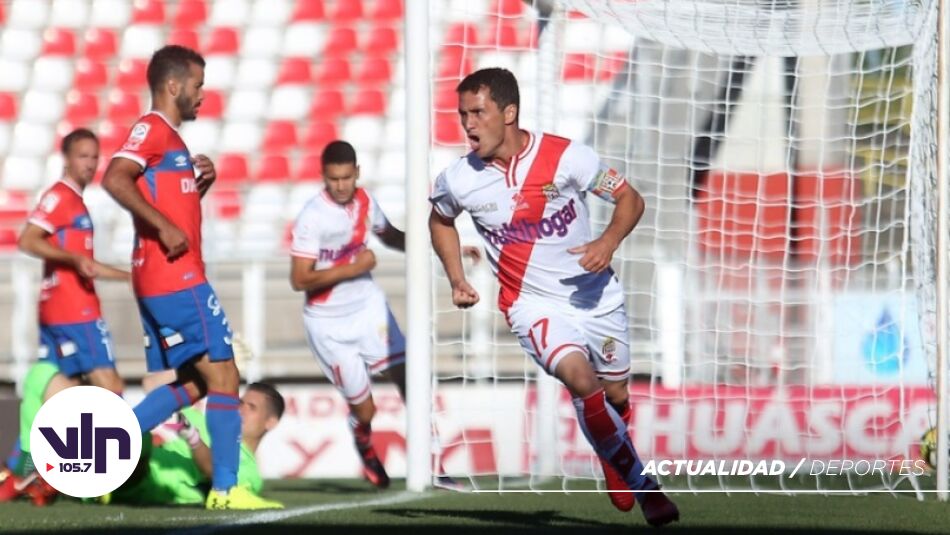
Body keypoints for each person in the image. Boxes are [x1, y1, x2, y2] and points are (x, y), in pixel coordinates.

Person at [428, 67, 679, 526]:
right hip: (531, 305)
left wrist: (606, 243)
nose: (468, 124)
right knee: (581, 381)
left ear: (509, 113)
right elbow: (440, 220)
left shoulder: (567, 157)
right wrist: (456, 278)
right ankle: (646, 487)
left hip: (595, 299)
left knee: (616, 395)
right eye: (462, 114)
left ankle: (611, 452)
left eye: (478, 113)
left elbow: (630, 200)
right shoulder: (459, 178)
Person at [102, 45, 275, 510]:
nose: (203, 95)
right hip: (175, 278)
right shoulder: (153, 129)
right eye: (198, 85)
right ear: (174, 85)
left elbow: (163, 199)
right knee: (224, 372)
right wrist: (162, 224)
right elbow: (114, 177)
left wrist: (197, 187)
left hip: (164, 278)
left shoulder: (172, 142)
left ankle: (105, 456)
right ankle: (225, 488)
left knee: (195, 383)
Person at [109, 382, 284, 508]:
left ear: (271, 422)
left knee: (136, 431)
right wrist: (212, 373)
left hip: (145, 481)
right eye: (240, 403)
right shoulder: (205, 420)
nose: (240, 409)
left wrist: (192, 437)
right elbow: (153, 386)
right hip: (138, 457)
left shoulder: (250, 473)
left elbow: (214, 472)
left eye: (251, 407)